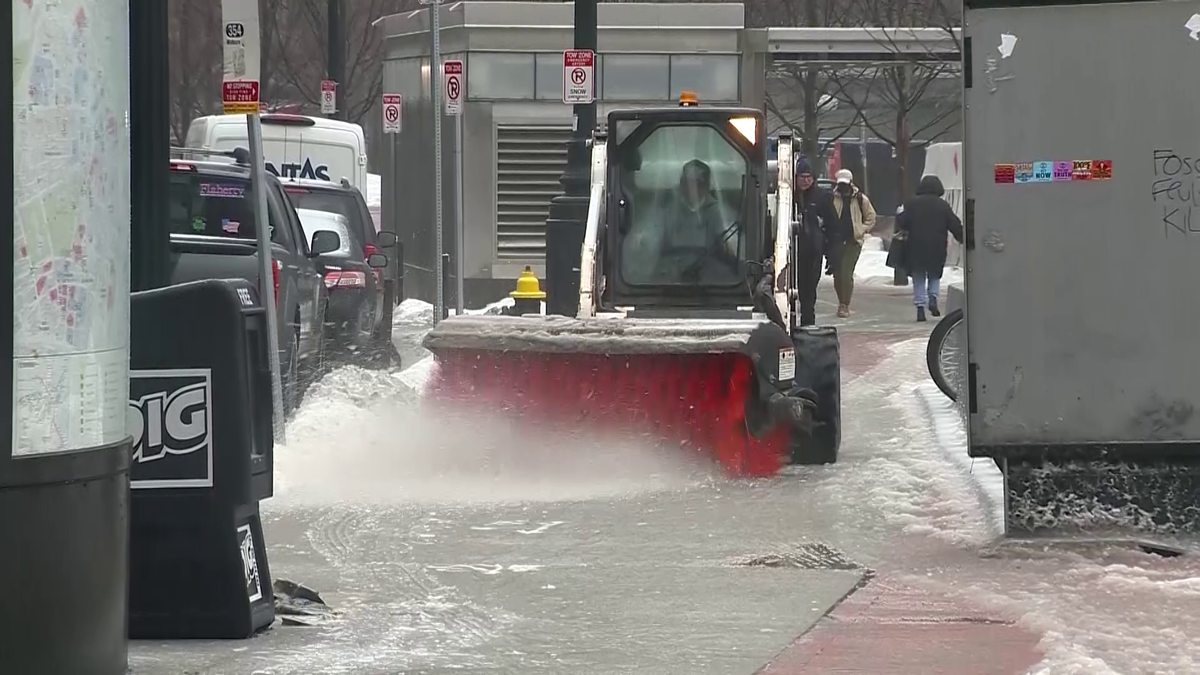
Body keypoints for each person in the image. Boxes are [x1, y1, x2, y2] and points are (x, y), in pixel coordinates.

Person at [896, 174, 964, 322]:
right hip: (937, 245)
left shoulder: (912, 204)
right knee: (934, 274)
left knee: (919, 275)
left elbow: (903, 222)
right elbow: (953, 223)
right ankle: (933, 298)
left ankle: (920, 307)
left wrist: (899, 213)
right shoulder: (943, 205)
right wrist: (963, 236)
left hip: (916, 245)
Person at [793, 156, 840, 326]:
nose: (805, 181)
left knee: (808, 293)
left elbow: (833, 227)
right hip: (791, 252)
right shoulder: (788, 196)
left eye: (809, 177)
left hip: (812, 252)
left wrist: (832, 254)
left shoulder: (822, 198)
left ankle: (807, 323)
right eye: (802, 177)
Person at [829, 169, 877, 318]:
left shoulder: (860, 199)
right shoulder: (831, 198)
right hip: (835, 241)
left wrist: (861, 230)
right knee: (837, 274)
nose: (842, 187)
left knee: (846, 273)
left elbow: (871, 216)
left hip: (853, 241)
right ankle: (841, 301)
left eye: (845, 184)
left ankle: (844, 304)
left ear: (851, 183)